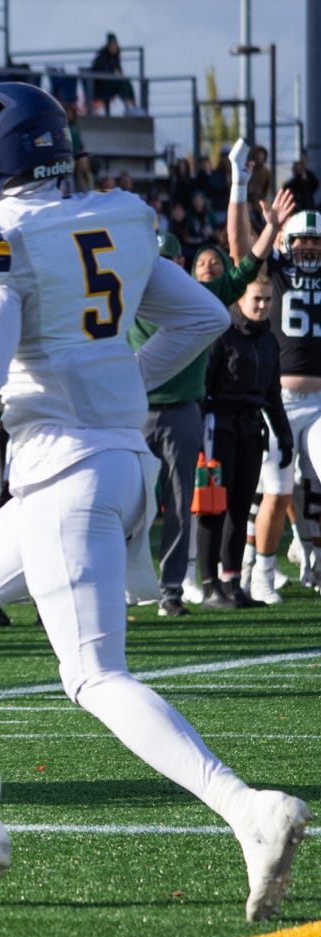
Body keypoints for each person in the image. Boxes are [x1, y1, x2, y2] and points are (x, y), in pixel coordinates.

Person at [0, 82, 310, 923]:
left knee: (95, 675)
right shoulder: (120, 213)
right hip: (111, 462)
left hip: (66, 471)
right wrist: (114, 389)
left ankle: (246, 808)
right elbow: (201, 321)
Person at [128, 150, 292, 616]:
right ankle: (119, 586)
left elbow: (241, 272)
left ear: (176, 263)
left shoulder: (196, 297)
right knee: (126, 505)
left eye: (169, 261)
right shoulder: (118, 295)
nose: (163, 268)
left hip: (183, 408)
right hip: (131, 409)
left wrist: (271, 231)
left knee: (185, 504)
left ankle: (172, 590)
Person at [196, 274, 291, 609]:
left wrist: (285, 435)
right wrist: (200, 436)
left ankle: (233, 582)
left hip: (251, 429)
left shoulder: (269, 341)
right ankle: (210, 586)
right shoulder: (223, 335)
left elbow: (273, 395)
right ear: (240, 300)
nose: (263, 305)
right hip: (217, 428)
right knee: (213, 506)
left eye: (267, 299)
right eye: (257, 299)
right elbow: (202, 387)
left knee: (240, 508)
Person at [269, 209, 321, 592]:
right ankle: (285, 559)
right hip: (281, 400)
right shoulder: (276, 274)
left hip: (319, 400)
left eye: (316, 240)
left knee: (315, 481)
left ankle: (314, 558)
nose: (309, 247)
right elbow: (242, 250)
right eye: (302, 239)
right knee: (283, 485)